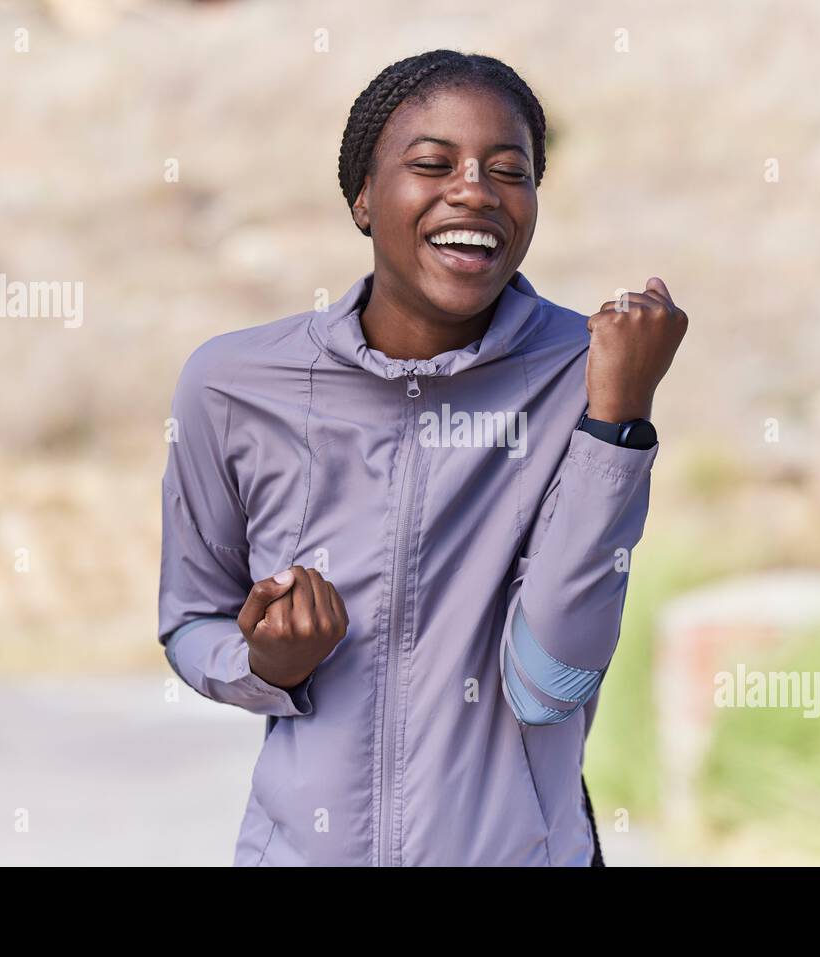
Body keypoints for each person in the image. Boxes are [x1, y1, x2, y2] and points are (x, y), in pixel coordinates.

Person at [158, 48, 687, 866]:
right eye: (433, 163)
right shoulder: (234, 385)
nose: (475, 188)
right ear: (364, 198)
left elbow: (553, 681)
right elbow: (191, 618)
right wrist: (266, 661)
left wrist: (618, 424)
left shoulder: (590, 373)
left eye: (509, 170)